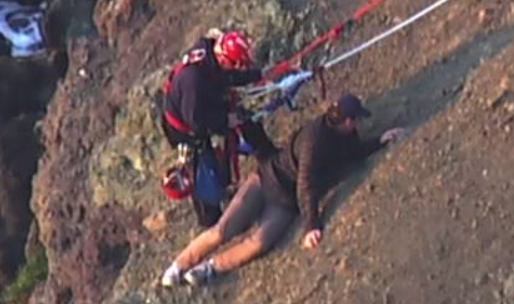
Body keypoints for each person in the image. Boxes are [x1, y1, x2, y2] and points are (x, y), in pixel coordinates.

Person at [160, 93, 405, 287]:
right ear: (347, 120)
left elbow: (353, 153)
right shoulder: (315, 139)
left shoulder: (346, 136)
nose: (358, 124)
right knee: (222, 230)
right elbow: (305, 183)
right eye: (356, 119)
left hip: (285, 202)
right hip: (266, 180)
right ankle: (179, 265)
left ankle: (209, 268)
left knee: (259, 243)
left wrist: (379, 142)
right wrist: (311, 224)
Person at [158, 29, 275, 226]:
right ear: (223, 58)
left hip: (204, 104)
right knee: (204, 173)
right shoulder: (193, 80)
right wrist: (224, 121)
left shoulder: (210, 58)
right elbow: (196, 121)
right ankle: (211, 219)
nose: (238, 68)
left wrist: (258, 75)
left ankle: (272, 161)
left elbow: (228, 76)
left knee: (248, 125)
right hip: (187, 127)